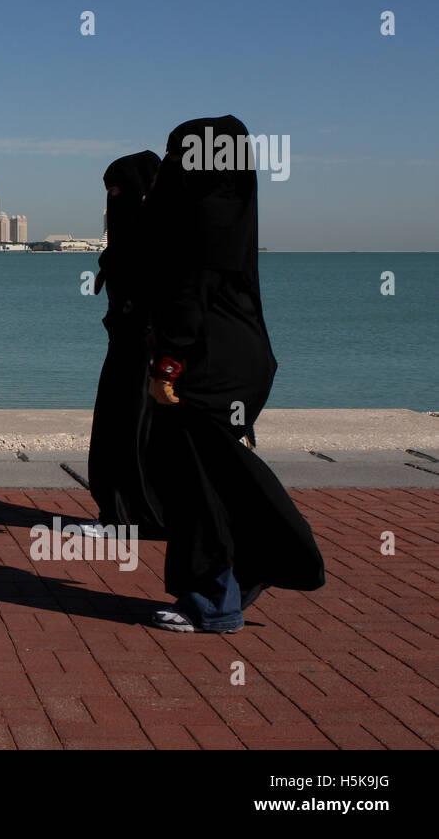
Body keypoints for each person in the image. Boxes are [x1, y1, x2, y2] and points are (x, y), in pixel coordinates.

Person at [143, 115, 324, 633]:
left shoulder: (203, 214)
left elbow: (188, 300)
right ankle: (248, 574)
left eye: (178, 154)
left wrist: (166, 368)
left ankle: (215, 601)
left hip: (207, 365)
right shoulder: (234, 208)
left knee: (197, 484)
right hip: (243, 362)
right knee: (222, 477)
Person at [85, 151, 167, 539]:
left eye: (118, 190)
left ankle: (127, 517)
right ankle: (128, 513)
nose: (112, 199)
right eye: (109, 191)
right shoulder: (136, 233)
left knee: (129, 427)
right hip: (126, 345)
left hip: (142, 349)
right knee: (120, 425)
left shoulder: (157, 232)